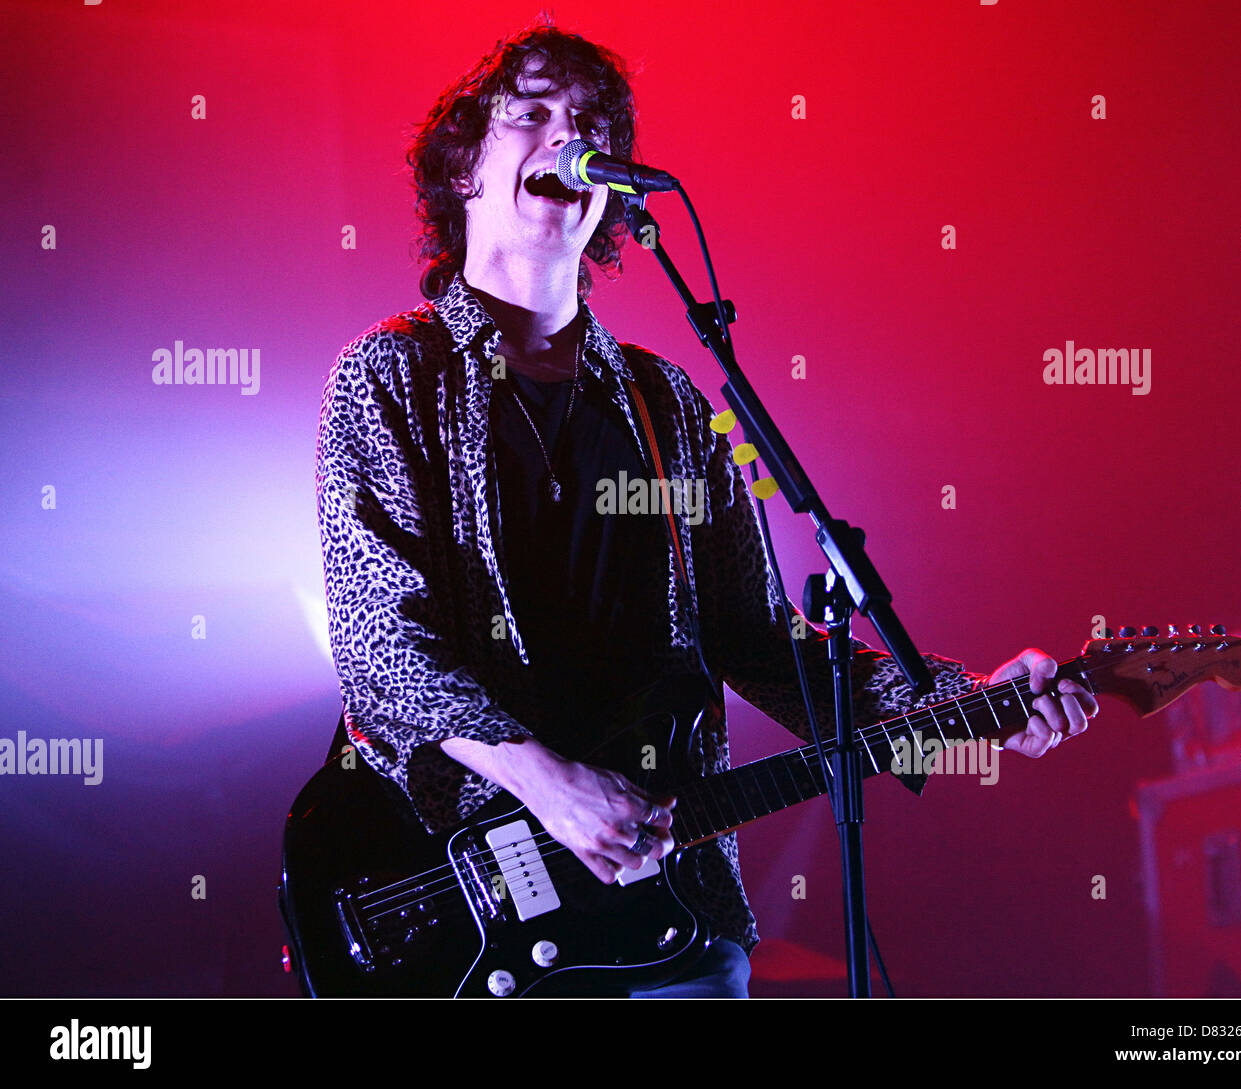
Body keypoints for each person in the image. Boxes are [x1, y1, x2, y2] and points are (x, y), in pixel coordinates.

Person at [314, 21, 1099, 998]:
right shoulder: (391, 376)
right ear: (464, 165)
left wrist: (966, 704)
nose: (568, 137)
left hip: (669, 907)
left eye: (591, 122)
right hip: (467, 902)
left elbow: (767, 645)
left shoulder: (666, 403)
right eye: (532, 115)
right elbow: (378, 641)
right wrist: (547, 785)